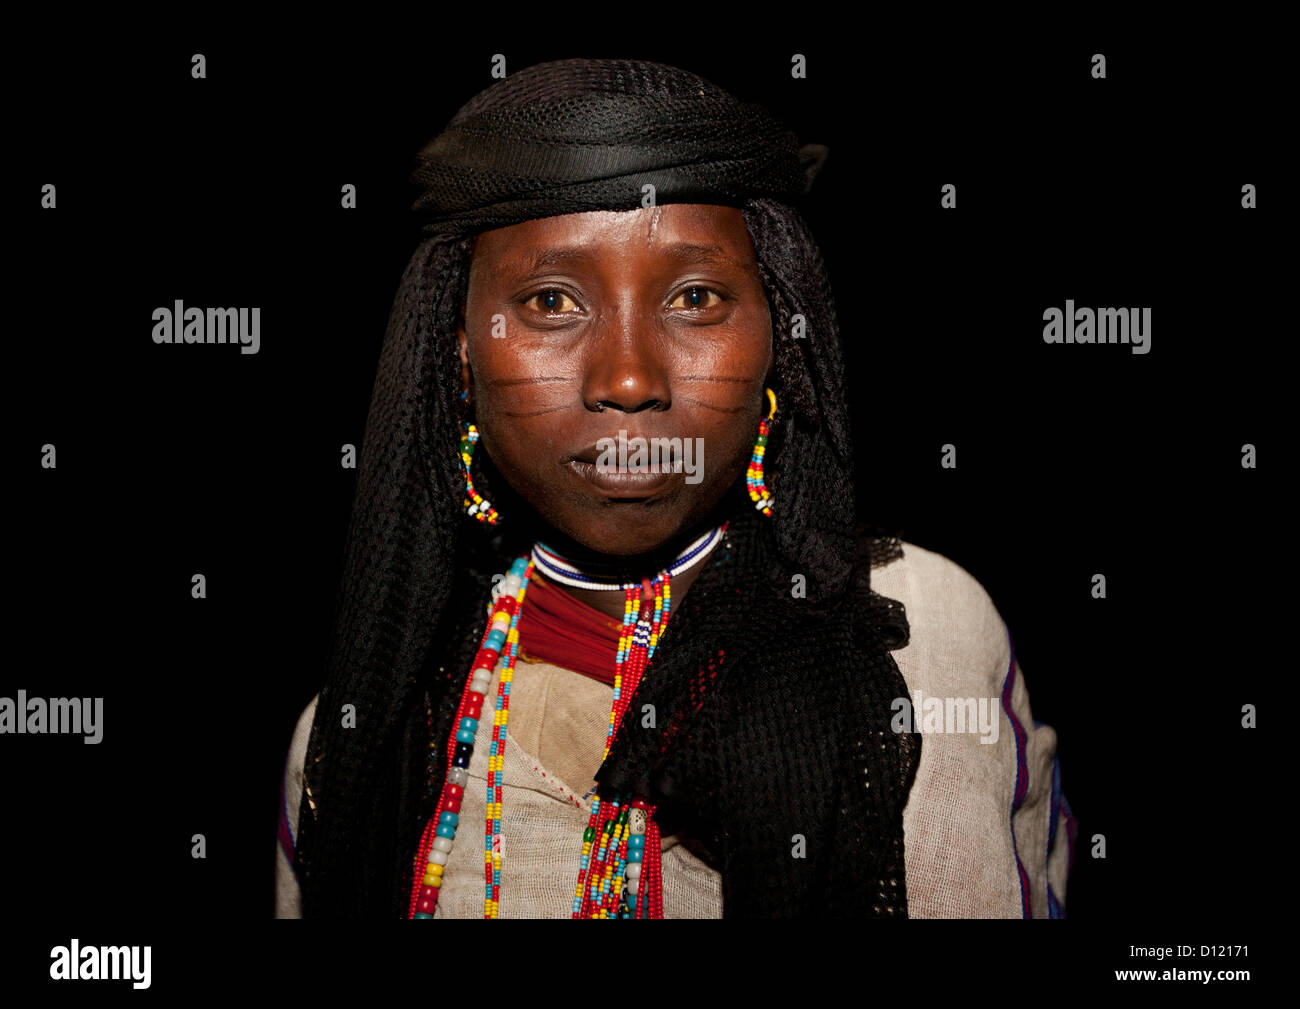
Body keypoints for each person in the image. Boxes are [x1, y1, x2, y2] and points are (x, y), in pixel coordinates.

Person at [275, 57, 1075, 919]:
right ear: (460, 352)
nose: (627, 378)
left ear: (782, 339)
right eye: (550, 301)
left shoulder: (913, 639)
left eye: (696, 297)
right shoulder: (357, 736)